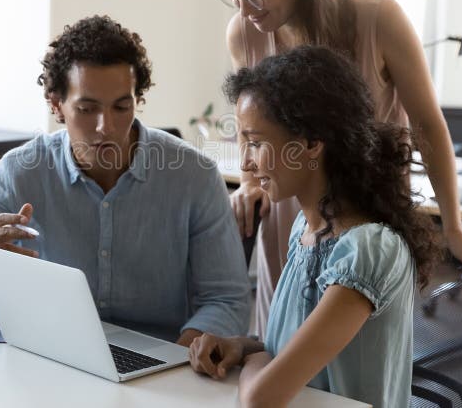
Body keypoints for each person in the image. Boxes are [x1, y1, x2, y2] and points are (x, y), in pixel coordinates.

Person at [210, 0, 462, 335]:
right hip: (291, 219)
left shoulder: (377, 18)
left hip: (367, 220)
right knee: (282, 347)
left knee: (361, 361)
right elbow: (249, 123)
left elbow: (428, 125)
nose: (245, 8)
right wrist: (253, 183)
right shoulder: (245, 34)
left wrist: (454, 227)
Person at [0, 15, 251, 345]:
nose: (105, 126)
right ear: (57, 105)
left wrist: (178, 361)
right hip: (50, 356)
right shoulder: (21, 171)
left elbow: (226, 301)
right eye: (87, 108)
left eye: (122, 107)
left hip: (160, 360)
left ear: (138, 99)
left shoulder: (193, 177)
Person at [189, 47, 443, 408]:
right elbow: (300, 352)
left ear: (310, 144)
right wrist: (242, 346)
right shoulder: (306, 229)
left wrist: (259, 362)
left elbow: (261, 399)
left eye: (256, 142)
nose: (245, 161)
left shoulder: (368, 250)